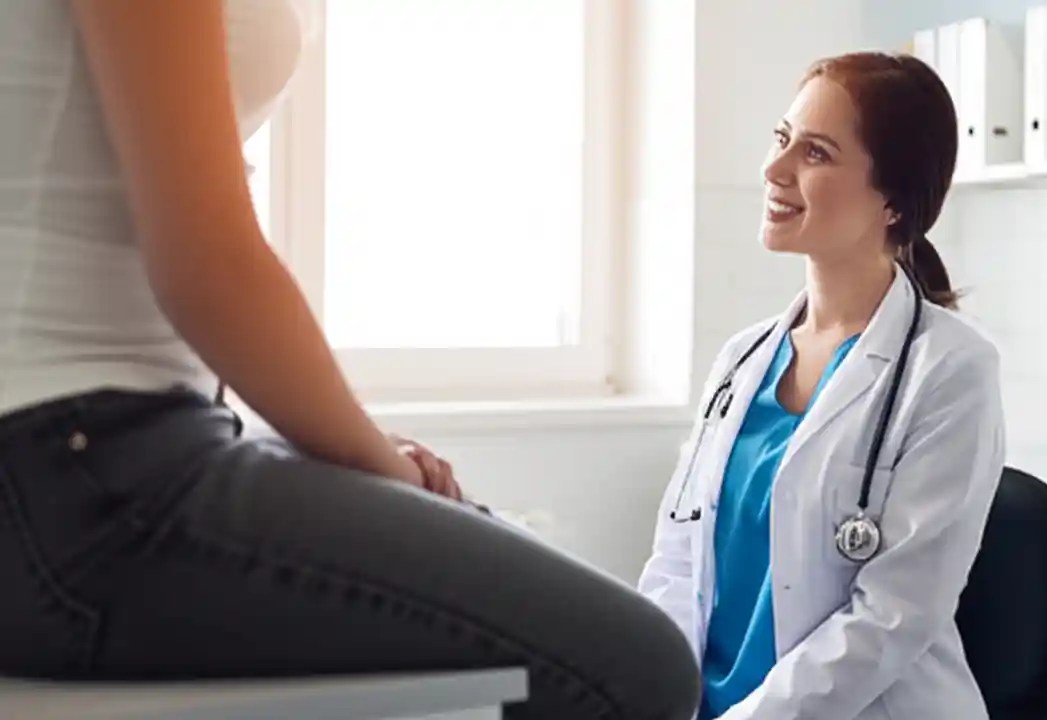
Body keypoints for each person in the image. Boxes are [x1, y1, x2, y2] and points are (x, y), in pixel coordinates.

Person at [0, 1, 700, 717]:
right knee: (636, 667)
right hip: (69, 476)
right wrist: (376, 462)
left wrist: (356, 454)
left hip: (97, 451)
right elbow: (210, 268)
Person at [637, 52, 1006, 719]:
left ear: (892, 199)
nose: (774, 170)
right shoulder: (741, 359)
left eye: (816, 153)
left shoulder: (950, 371)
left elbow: (892, 618)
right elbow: (676, 562)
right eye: (782, 140)